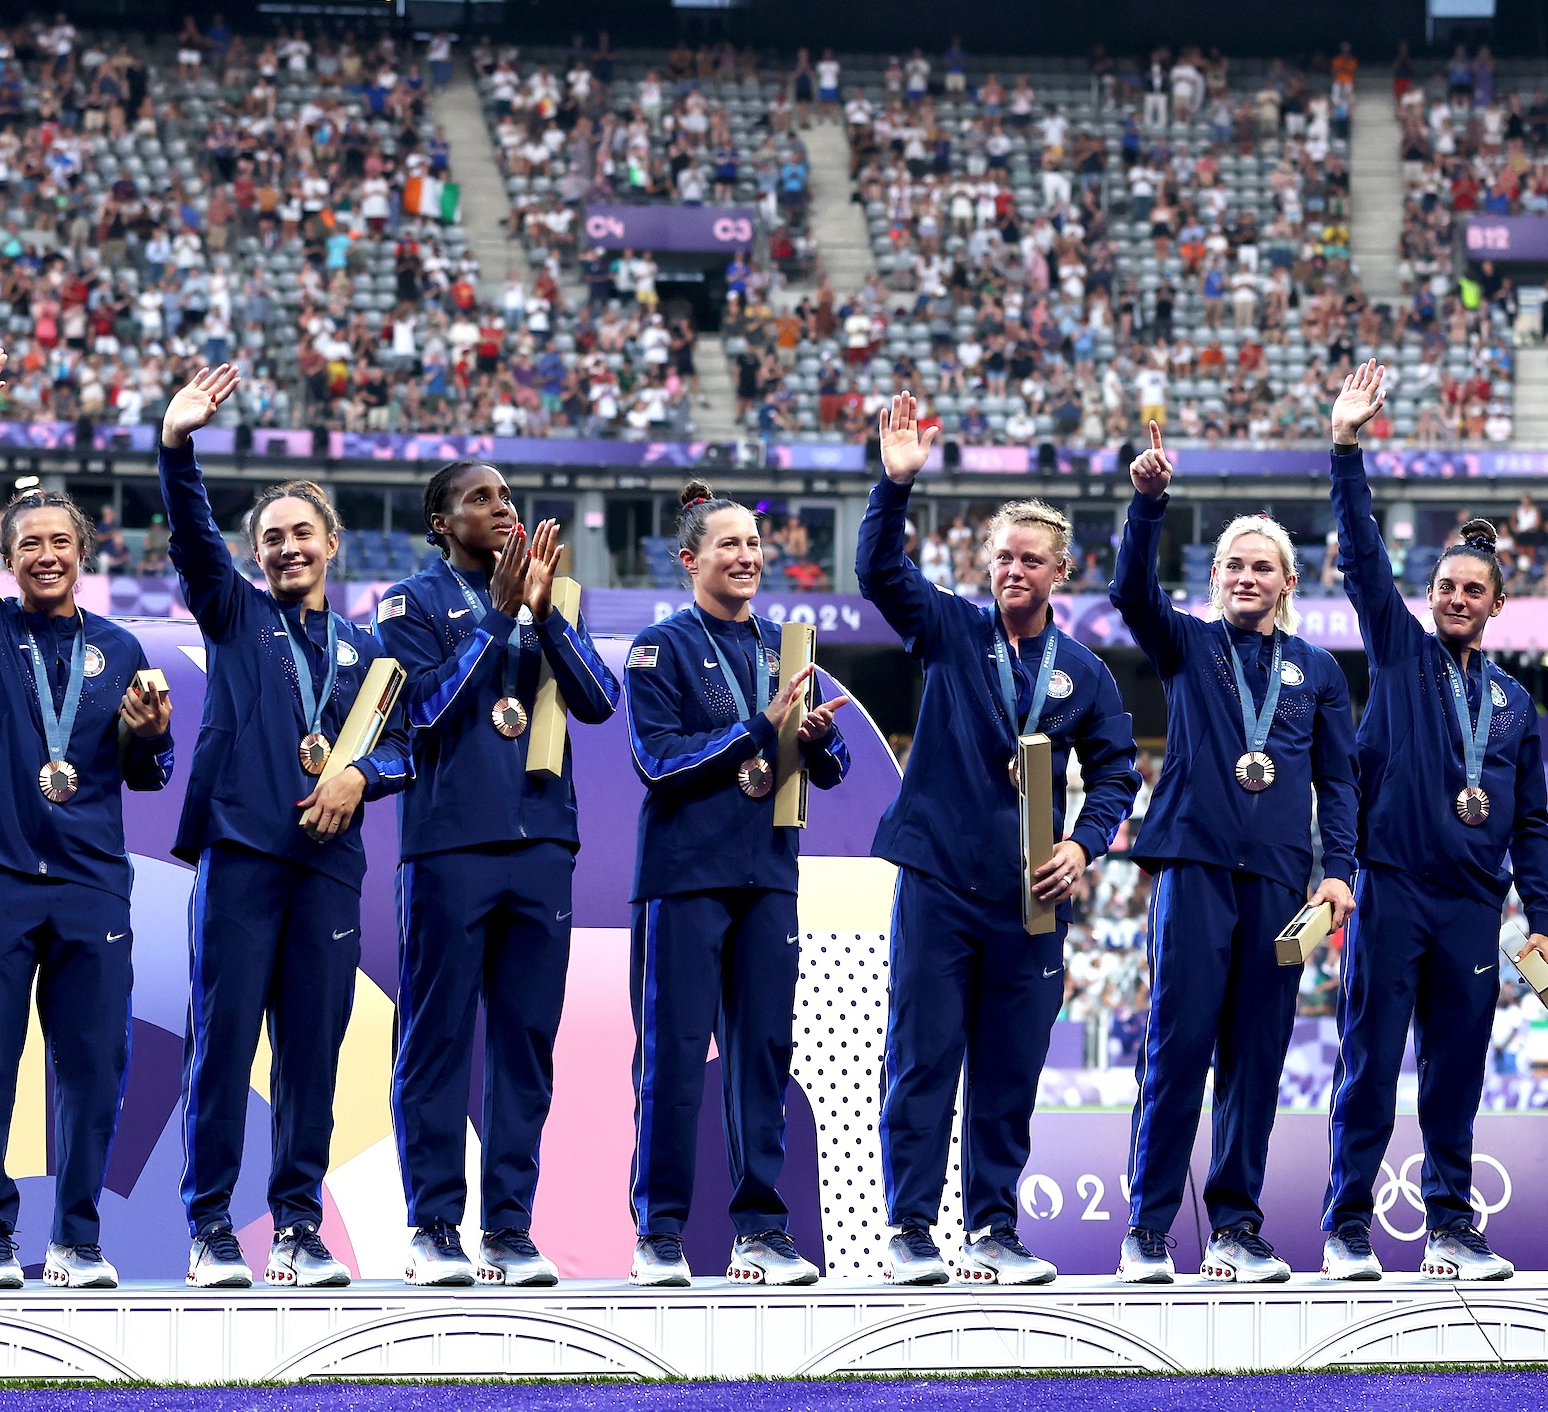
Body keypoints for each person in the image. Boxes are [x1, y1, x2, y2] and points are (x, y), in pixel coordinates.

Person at [858, 393, 1138, 1286]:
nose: (1013, 569)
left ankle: (992, 1230)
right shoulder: (949, 628)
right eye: (1002, 556)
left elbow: (1119, 772)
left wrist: (1084, 847)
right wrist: (895, 486)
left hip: (1032, 899)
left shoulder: (1085, 674)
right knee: (924, 1059)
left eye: (1031, 559)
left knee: (1010, 1074)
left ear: (1061, 570)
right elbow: (877, 575)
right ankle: (908, 1230)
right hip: (939, 881)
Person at [154, 363, 411, 1290]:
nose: (287, 548)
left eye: (302, 533)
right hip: (244, 855)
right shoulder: (234, 614)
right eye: (271, 538)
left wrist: (360, 772)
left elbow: (406, 749)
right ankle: (211, 1227)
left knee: (311, 1054)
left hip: (330, 869)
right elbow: (193, 543)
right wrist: (178, 446)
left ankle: (298, 1228)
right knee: (222, 1046)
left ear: (332, 543)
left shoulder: (370, 653)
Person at [0, 347, 176, 1289]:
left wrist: (149, 740)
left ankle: (76, 1237)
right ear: (7, 556)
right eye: (26, 543)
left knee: (91, 1072)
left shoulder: (120, 648)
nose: (44, 555)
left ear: (82, 553)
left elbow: (144, 777)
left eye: (58, 543)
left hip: (88, 883)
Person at [1110, 417, 1358, 1285]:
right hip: (1195, 867)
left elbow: (1342, 782)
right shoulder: (1187, 644)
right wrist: (1148, 507)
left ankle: (1237, 1229)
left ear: (1289, 583)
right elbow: (1130, 596)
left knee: (1257, 1061)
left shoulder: (1320, 672)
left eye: (1263, 566)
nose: (1247, 576)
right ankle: (1146, 1231)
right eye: (1233, 566)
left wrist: (1339, 873)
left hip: (1286, 885)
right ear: (1213, 581)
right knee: (1177, 1049)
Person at [1320, 365, 1548, 1282]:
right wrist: (1347, 450)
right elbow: (1363, 554)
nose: (1457, 598)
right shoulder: (1401, 653)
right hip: (1391, 893)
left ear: (1497, 605)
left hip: (1472, 909)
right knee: (1370, 1072)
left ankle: (1452, 1228)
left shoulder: (1517, 705)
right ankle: (1345, 1227)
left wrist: (1540, 917)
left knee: (1455, 1079)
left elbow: (1530, 823)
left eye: (1473, 591)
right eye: (1446, 586)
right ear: (1429, 596)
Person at [378, 459, 620, 1286]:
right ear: (443, 523)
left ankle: (510, 1231)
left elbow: (598, 700)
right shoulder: (410, 603)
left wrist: (544, 616)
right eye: (481, 498)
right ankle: (432, 1228)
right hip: (451, 846)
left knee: (525, 1045)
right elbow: (423, 713)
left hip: (544, 846)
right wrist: (496, 616)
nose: (503, 507)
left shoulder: (558, 598)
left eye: (509, 496)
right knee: (440, 1039)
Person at [622, 481, 856, 1288]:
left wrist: (819, 739)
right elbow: (660, 763)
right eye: (728, 544)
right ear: (690, 560)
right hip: (685, 878)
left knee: (762, 1056)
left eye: (754, 545)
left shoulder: (785, 650)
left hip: (768, 876)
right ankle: (658, 1234)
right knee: (674, 1059)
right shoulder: (660, 649)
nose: (747, 557)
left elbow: (832, 772)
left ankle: (760, 1233)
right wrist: (761, 726)